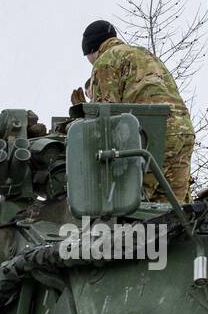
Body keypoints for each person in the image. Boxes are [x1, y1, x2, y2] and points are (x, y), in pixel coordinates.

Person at [78, 20, 195, 202]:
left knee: (134, 205)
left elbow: (104, 117)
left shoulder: (105, 61)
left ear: (92, 48)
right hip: (184, 130)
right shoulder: (144, 54)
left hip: (154, 135)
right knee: (172, 209)